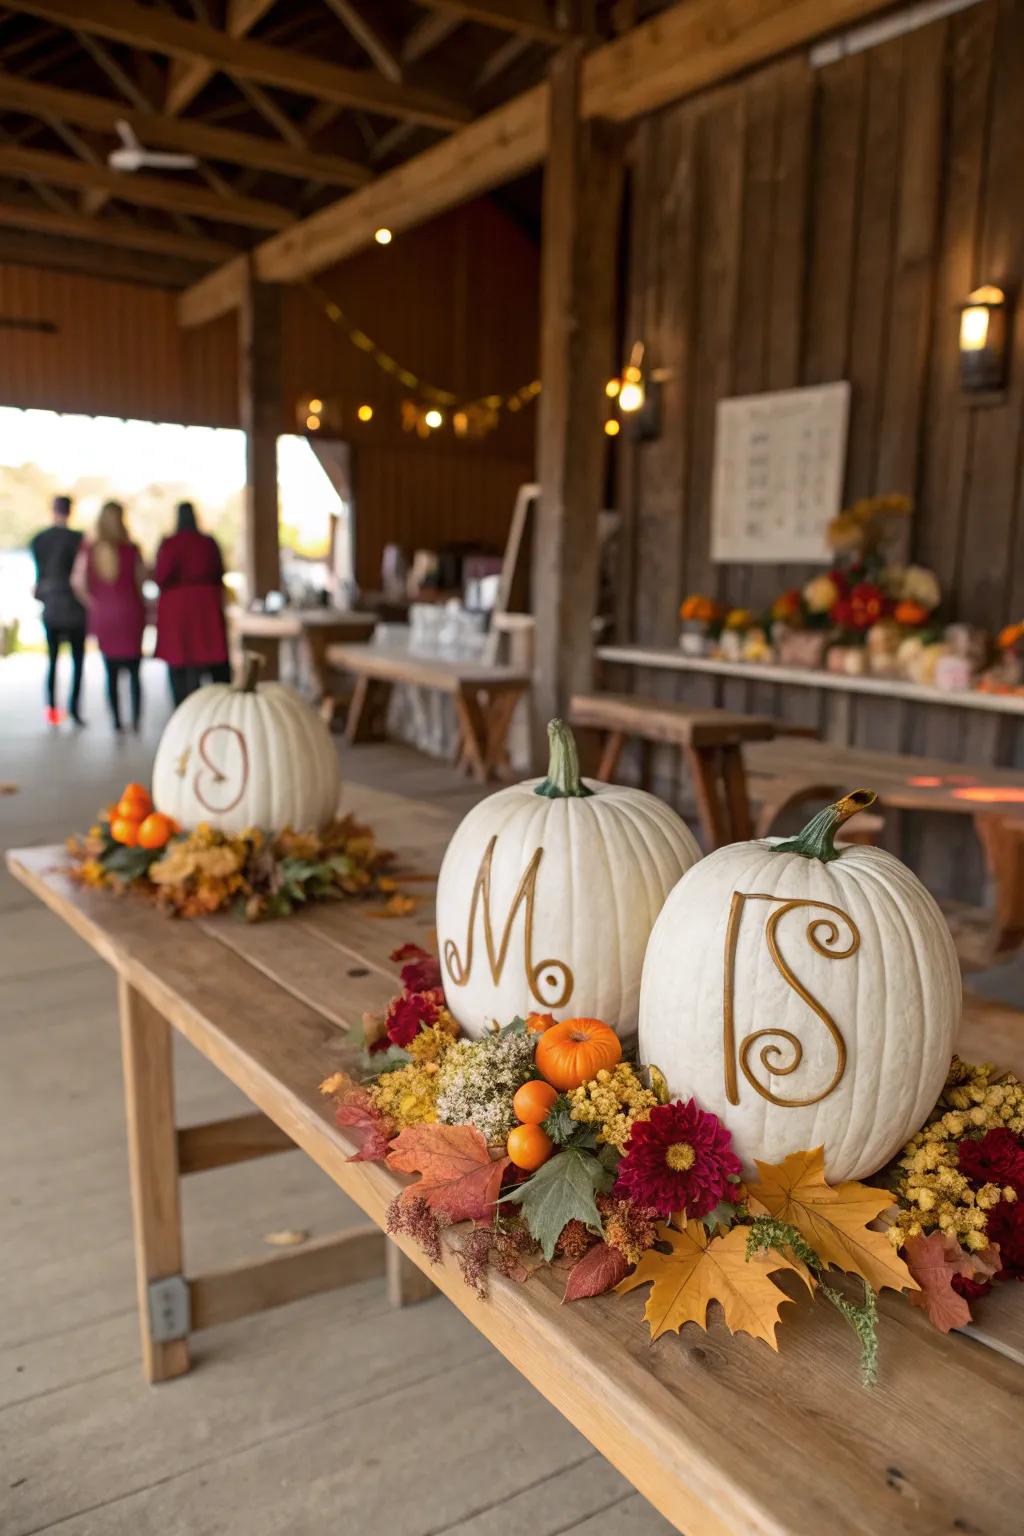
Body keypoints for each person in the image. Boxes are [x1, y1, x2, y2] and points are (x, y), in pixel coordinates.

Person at [72, 501, 146, 733]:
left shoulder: (89, 550)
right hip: (130, 612)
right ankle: (135, 720)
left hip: (105, 615)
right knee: (134, 671)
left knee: (110, 671)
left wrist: (95, 603)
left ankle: (116, 721)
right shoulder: (132, 550)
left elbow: (77, 582)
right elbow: (141, 580)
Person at [154, 502, 230, 707]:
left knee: (180, 662)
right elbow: (219, 572)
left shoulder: (170, 544)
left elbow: (160, 576)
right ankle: (218, 705)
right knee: (210, 659)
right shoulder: (207, 543)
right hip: (205, 608)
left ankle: (182, 707)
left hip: (179, 610)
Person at [29, 494, 86, 726]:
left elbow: (39, 575)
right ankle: (74, 709)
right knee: (77, 661)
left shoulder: (39, 539)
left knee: (52, 660)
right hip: (74, 604)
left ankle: (52, 710)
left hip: (51, 602)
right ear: (70, 511)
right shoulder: (79, 539)